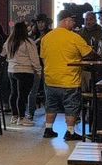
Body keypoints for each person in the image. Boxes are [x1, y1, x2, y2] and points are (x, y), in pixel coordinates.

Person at [39, 8, 94, 140]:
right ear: (66, 21)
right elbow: (89, 54)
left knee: (51, 105)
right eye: (72, 21)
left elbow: (43, 58)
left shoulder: (46, 38)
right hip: (69, 80)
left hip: (50, 79)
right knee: (71, 106)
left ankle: (48, 129)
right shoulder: (74, 37)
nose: (74, 23)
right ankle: (70, 132)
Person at [1, 20, 41, 126]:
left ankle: (14, 116)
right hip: (25, 71)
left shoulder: (9, 41)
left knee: (14, 93)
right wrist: (38, 71)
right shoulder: (28, 42)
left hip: (11, 71)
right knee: (22, 95)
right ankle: (22, 117)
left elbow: (2, 54)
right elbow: (34, 58)